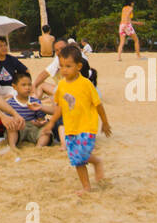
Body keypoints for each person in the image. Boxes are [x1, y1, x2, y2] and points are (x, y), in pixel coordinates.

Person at [43, 44, 111, 194]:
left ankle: (97, 162)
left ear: (79, 66)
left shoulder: (86, 84)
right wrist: (52, 122)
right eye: (61, 66)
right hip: (71, 128)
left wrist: (105, 123)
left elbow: (98, 105)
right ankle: (86, 186)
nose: (64, 70)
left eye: (68, 66)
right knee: (76, 160)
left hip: (87, 126)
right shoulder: (61, 86)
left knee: (83, 154)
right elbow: (59, 107)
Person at [4, 71, 55, 149]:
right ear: (14, 87)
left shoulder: (35, 102)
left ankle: (39, 146)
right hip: (18, 128)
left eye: (29, 85)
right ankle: (13, 147)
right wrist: (14, 122)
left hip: (33, 128)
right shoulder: (10, 103)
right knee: (11, 128)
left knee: (46, 131)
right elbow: (7, 120)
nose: (27, 88)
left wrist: (40, 123)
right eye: (23, 85)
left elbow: (41, 119)